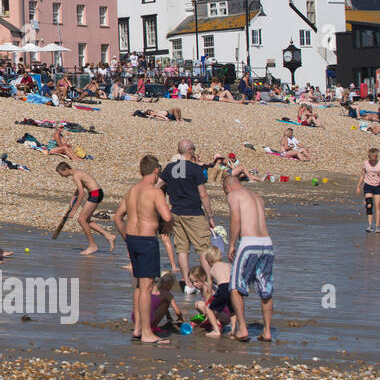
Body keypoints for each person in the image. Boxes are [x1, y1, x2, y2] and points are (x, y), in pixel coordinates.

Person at [112, 155, 173, 345]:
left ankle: (138, 328)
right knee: (147, 287)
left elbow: (117, 217)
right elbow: (167, 216)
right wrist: (167, 226)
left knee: (139, 286)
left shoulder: (131, 191)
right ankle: (147, 332)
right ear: (156, 171)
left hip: (132, 239)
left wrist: (126, 237)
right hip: (147, 240)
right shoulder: (155, 192)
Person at [158, 139, 216, 293]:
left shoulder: (170, 167)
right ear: (190, 151)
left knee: (182, 249)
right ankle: (209, 283)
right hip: (193, 213)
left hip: (176, 212)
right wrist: (210, 216)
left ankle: (188, 284)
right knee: (204, 249)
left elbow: (157, 185)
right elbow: (203, 194)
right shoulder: (195, 169)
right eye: (194, 149)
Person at [223, 174, 274, 342]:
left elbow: (236, 219)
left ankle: (242, 329)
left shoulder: (234, 195)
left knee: (235, 287)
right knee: (265, 289)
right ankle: (267, 331)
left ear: (227, 187)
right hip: (267, 244)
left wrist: (232, 244)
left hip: (249, 243)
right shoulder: (257, 197)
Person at [55, 161, 116, 254]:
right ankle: (108, 236)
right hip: (96, 193)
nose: (61, 176)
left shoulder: (76, 175)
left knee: (81, 220)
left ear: (65, 169)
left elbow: (82, 193)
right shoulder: (77, 172)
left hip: (95, 194)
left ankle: (93, 246)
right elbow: (80, 188)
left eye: (61, 173)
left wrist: (74, 210)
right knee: (86, 220)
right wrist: (73, 198)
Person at [191, 244, 233, 338]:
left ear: (209, 260)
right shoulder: (228, 265)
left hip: (223, 288)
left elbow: (209, 291)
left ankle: (216, 330)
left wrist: (207, 305)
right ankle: (234, 330)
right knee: (233, 311)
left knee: (208, 309)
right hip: (233, 288)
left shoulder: (212, 270)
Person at [357, 148, 380, 233]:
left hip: (378, 186)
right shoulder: (366, 163)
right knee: (369, 205)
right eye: (371, 158)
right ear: (369, 156)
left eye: (374, 158)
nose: (373, 160)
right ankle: (370, 225)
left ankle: (377, 226)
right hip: (368, 186)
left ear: (376, 157)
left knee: (377, 206)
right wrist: (358, 186)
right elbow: (362, 175)